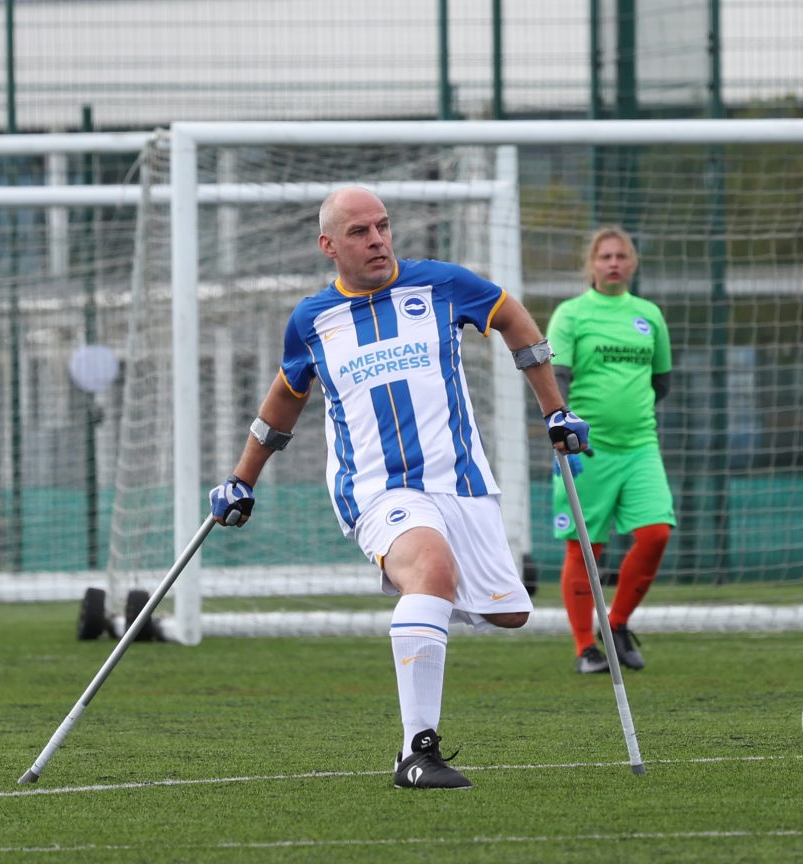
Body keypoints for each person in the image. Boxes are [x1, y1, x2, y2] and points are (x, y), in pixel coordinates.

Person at [205, 187, 589, 790]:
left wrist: (554, 412)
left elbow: (513, 319)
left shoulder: (442, 284)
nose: (378, 239)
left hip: (460, 483)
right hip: (377, 490)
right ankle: (417, 752)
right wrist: (240, 478)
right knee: (432, 568)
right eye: (360, 232)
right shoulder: (311, 320)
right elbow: (284, 398)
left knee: (511, 612)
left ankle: (424, 610)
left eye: (383, 227)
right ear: (329, 245)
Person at [547, 226, 675, 674]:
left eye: (622, 255)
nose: (614, 263)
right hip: (588, 451)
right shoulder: (571, 315)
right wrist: (569, 433)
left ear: (633, 262)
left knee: (657, 533)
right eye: (605, 256)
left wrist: (629, 416)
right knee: (585, 549)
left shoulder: (648, 316)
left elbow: (661, 382)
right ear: (592, 264)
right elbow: (555, 378)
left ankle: (616, 624)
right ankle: (585, 648)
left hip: (641, 446)